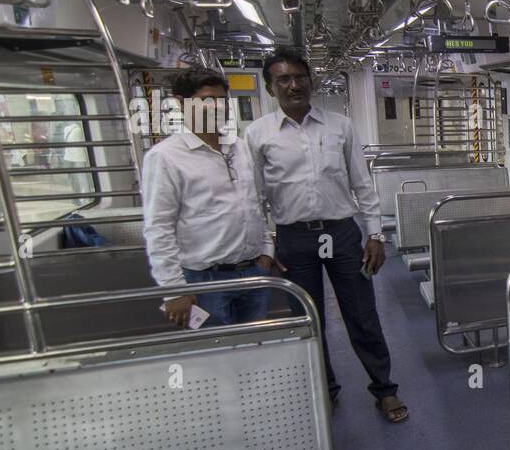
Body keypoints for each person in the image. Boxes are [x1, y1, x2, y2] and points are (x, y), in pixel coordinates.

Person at [244, 48, 409, 424]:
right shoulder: (256, 135)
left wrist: (375, 235)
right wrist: (265, 246)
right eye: (283, 79)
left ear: (311, 81)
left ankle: (384, 390)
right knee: (308, 319)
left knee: (363, 315)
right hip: (293, 238)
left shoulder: (340, 126)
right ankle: (326, 389)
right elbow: (254, 198)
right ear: (271, 88)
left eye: (299, 77)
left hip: (341, 234)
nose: (293, 85)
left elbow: (362, 184)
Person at [141, 67, 274, 328]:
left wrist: (266, 250)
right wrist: (173, 290)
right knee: (218, 355)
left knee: (256, 349)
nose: (217, 107)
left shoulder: (239, 147)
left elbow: (255, 203)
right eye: (207, 100)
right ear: (181, 103)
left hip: (253, 273)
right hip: (204, 281)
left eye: (223, 100)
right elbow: (159, 228)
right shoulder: (165, 156)